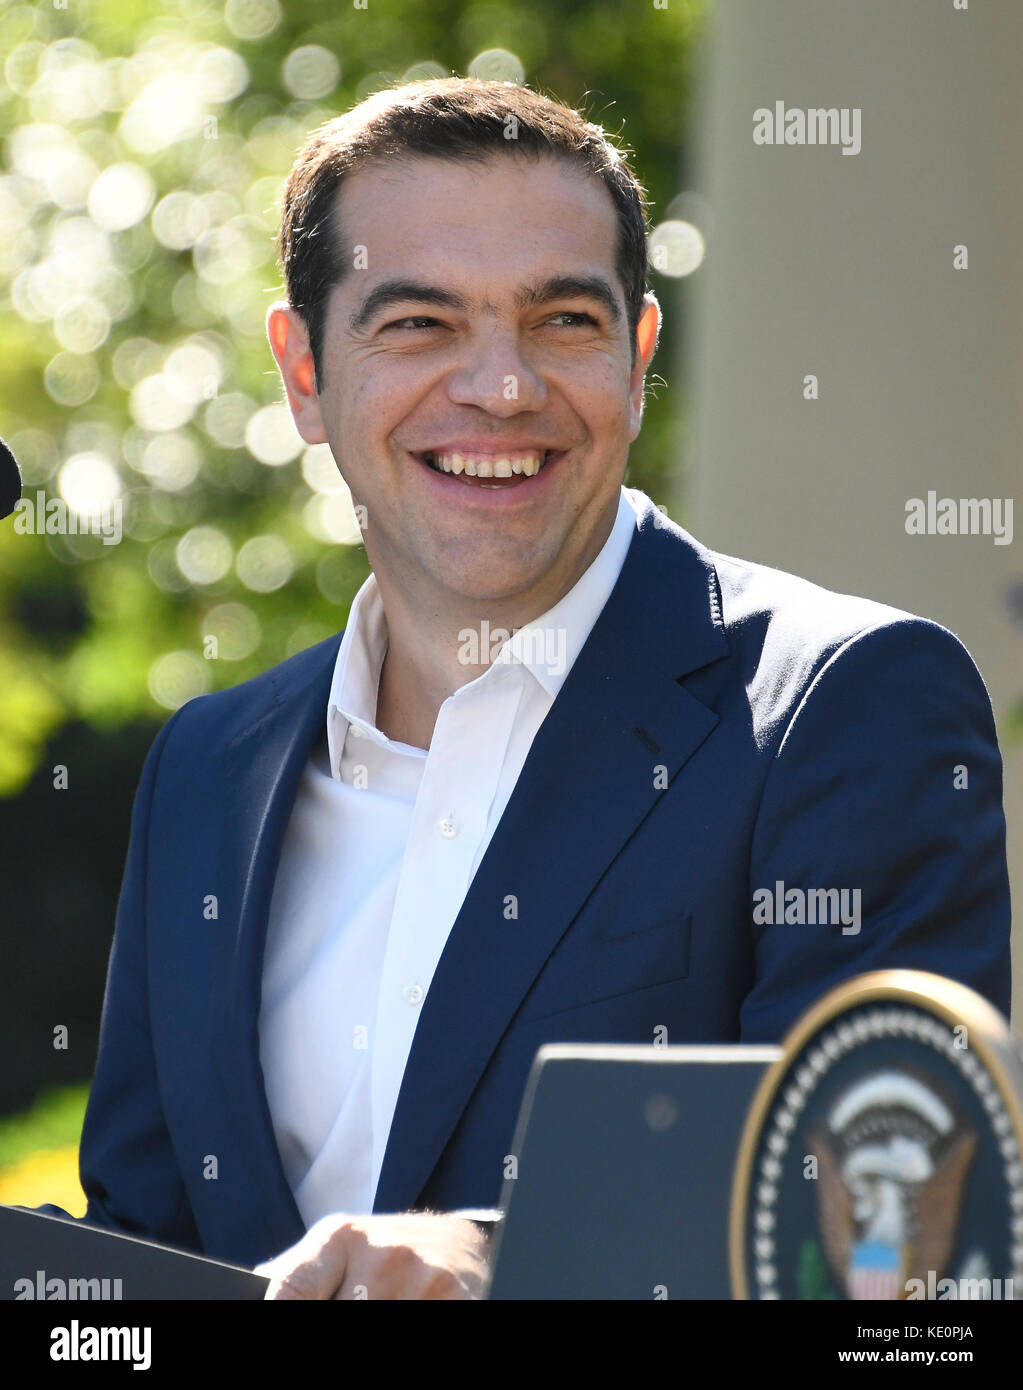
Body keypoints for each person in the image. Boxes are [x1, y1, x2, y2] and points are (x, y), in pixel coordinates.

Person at [31, 77, 1011, 1299]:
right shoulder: (205, 770)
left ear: (637, 357)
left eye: (562, 321)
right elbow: (141, 1257)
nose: (501, 387)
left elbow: (891, 1250)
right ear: (303, 372)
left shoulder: (847, 709)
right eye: (418, 324)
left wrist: (498, 1263)